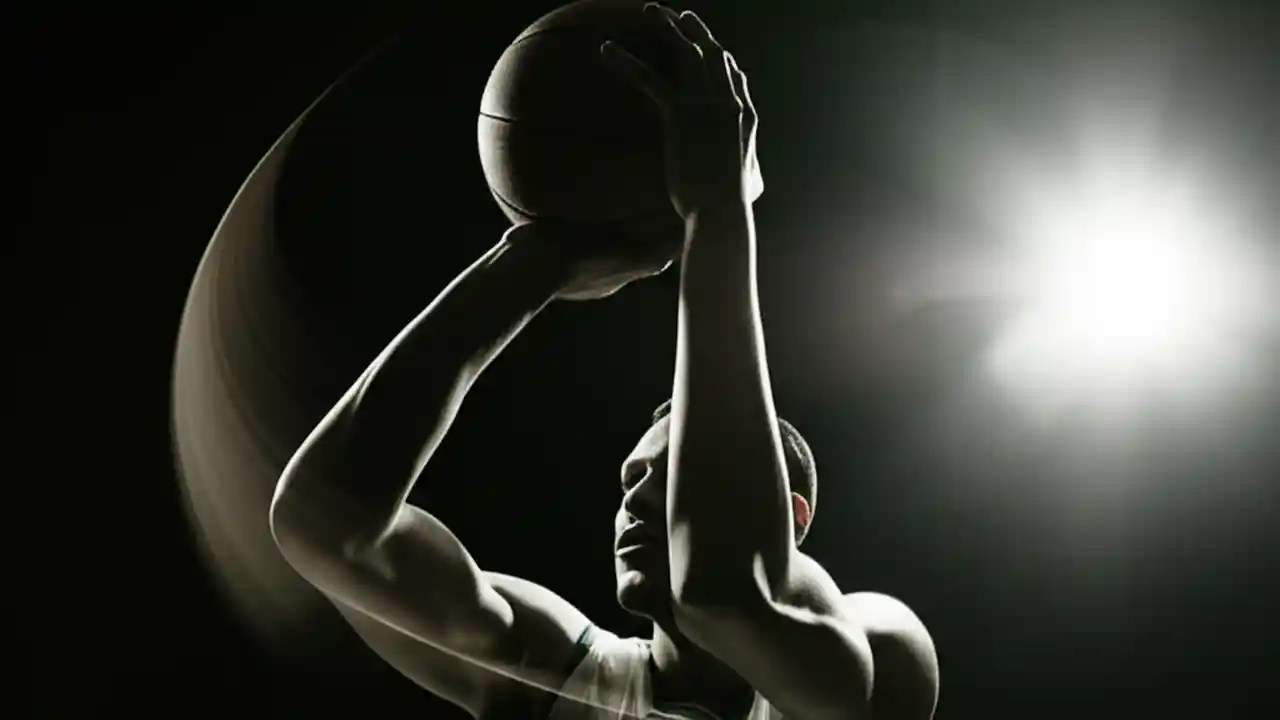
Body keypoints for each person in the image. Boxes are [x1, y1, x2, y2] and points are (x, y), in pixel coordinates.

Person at [268, 4, 939, 718]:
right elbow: (321, 527)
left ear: (793, 518)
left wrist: (717, 214)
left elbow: (725, 594)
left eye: (671, 478)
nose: (635, 498)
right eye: (634, 478)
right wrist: (530, 265)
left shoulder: (882, 646)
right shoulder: (564, 674)